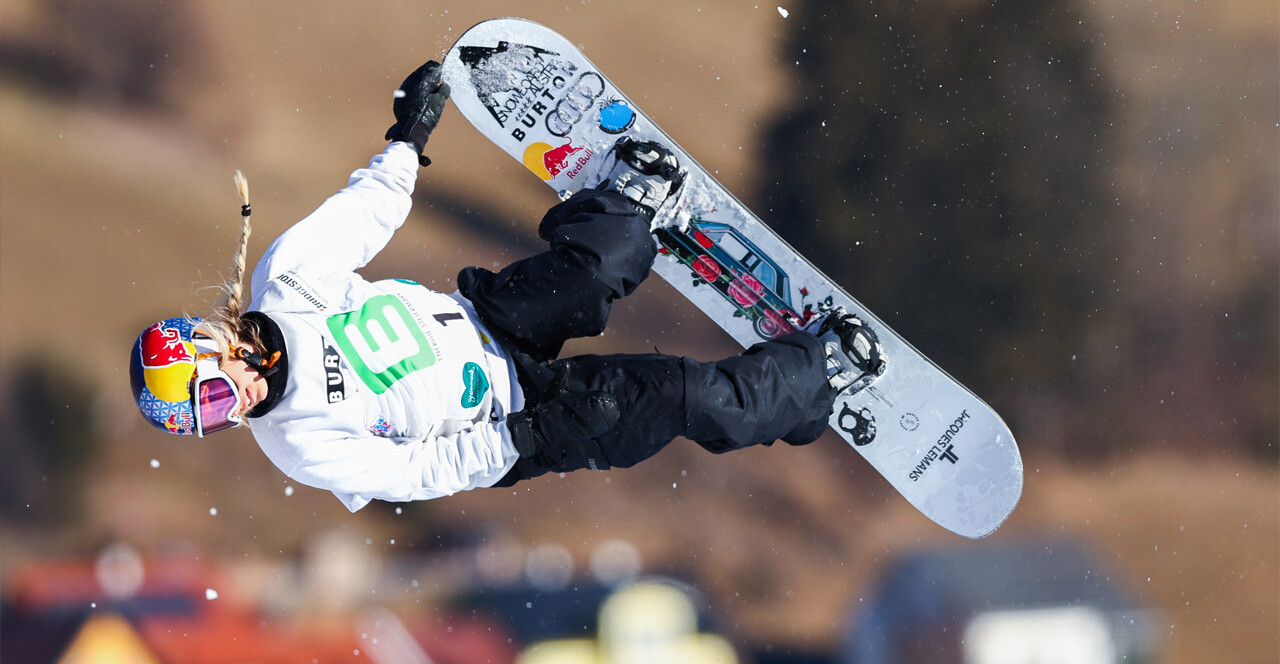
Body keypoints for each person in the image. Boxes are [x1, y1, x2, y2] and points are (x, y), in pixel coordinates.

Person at [130, 61, 884, 512]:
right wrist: (514, 443)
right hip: (519, 421)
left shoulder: (288, 279)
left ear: (212, 347)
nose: (238, 413)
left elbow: (366, 213)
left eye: (217, 396)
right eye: (219, 421)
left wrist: (410, 134)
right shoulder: (298, 443)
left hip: (486, 321)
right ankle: (818, 375)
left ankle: (633, 206)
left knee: (595, 267)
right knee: (679, 395)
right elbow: (419, 472)